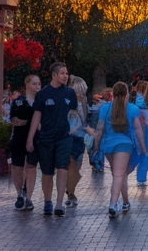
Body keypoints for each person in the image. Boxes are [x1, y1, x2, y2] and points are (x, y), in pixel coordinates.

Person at [27, 62, 80, 217]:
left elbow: (74, 114)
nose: (65, 76)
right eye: (62, 73)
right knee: (47, 172)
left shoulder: (70, 93)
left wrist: (74, 128)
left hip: (64, 137)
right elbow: (36, 117)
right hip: (46, 138)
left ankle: (59, 203)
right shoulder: (43, 94)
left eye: (66, 73)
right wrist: (30, 139)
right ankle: (47, 202)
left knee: (63, 167)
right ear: (54, 75)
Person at [92, 82, 146, 218]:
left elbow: (99, 129)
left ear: (113, 95)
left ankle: (125, 201)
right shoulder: (133, 109)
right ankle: (113, 204)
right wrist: (143, 148)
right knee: (119, 174)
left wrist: (96, 147)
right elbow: (138, 129)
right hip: (125, 144)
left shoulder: (104, 108)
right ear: (127, 94)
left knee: (118, 174)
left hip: (108, 145)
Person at [9, 75, 40, 211]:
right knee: (17, 166)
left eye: (39, 84)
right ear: (27, 84)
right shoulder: (17, 102)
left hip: (36, 138)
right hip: (19, 137)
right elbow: (15, 121)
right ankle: (19, 193)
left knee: (31, 166)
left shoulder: (41, 101)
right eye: (34, 84)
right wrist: (30, 122)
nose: (37, 87)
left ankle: (29, 197)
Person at [65, 76, 93, 208]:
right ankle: (70, 193)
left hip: (80, 137)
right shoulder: (68, 101)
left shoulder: (84, 101)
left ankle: (70, 190)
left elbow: (85, 119)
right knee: (71, 166)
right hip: (69, 136)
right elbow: (81, 120)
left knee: (77, 166)